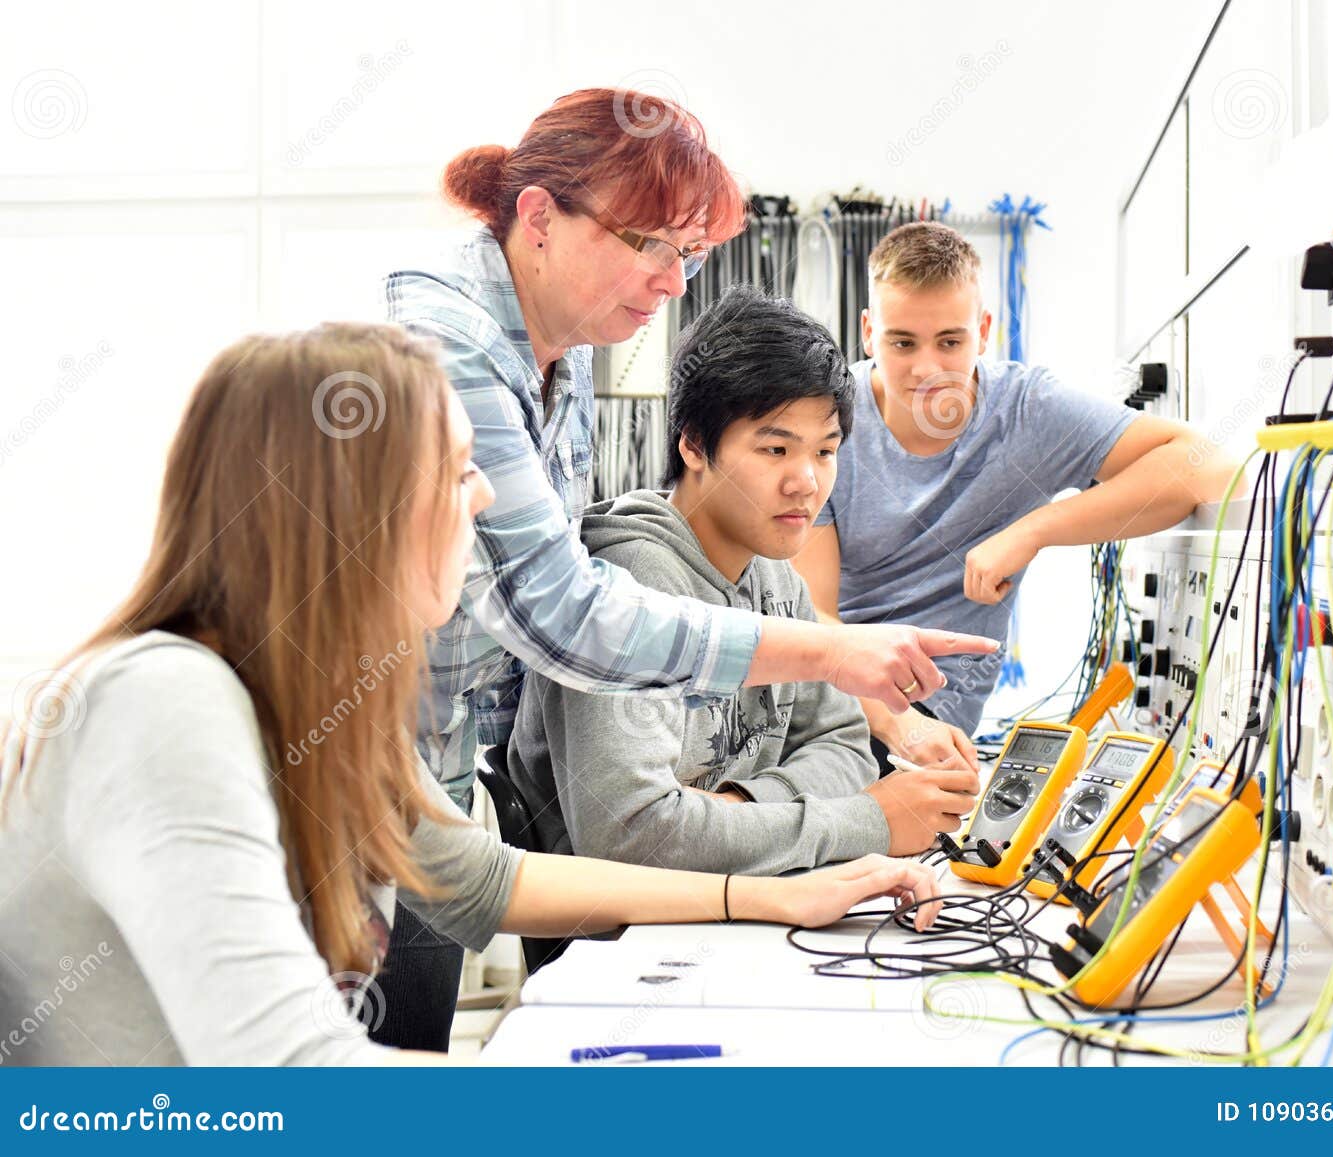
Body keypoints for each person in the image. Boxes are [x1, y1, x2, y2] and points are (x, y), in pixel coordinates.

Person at [0, 324, 942, 1066]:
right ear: (351, 503)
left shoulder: (320, 706)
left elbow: (489, 881)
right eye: (455, 469)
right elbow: (289, 1071)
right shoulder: (168, 701)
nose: (486, 497)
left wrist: (766, 897)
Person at [381, 91, 992, 1047]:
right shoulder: (447, 340)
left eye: (689, 254)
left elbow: (553, 578)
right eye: (650, 246)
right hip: (354, 786)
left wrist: (770, 802)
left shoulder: (571, 346)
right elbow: (561, 612)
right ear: (538, 219)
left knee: (393, 1076)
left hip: (433, 796)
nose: (672, 282)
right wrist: (844, 727)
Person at [508, 288, 980, 877]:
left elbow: (847, 746)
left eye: (826, 452)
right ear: (693, 444)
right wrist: (867, 821)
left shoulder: (776, 573)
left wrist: (735, 809)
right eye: (776, 448)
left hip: (754, 904)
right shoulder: (628, 585)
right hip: (629, 945)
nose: (806, 482)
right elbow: (632, 838)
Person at [794, 222, 1234, 773]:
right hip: (839, 694)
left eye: (950, 342)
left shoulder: (1027, 411)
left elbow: (1206, 464)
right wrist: (894, 722)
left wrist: (1034, 530)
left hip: (933, 717)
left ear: (983, 330)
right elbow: (812, 617)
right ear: (867, 331)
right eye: (902, 342)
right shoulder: (829, 422)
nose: (927, 368)